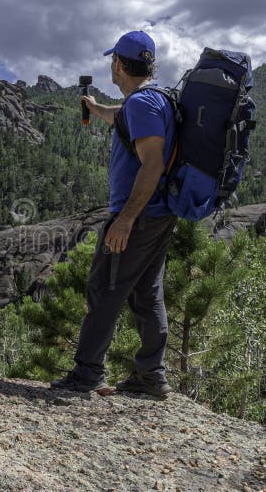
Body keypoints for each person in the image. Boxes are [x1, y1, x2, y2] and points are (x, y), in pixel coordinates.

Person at [50, 30, 177, 397]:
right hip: (159, 214)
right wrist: (93, 107)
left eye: (113, 61)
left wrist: (124, 220)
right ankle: (151, 376)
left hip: (138, 215)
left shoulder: (142, 105)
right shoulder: (156, 100)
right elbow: (121, 117)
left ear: (118, 64)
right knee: (146, 293)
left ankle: (88, 374)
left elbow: (151, 164)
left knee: (104, 288)